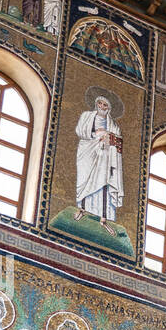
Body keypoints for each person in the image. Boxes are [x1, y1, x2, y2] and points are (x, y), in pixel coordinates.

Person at [74, 94, 124, 235]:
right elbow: (80, 131)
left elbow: (117, 141)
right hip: (88, 152)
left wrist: (107, 136)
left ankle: (103, 219)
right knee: (85, 179)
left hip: (105, 156)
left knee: (104, 183)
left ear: (109, 108)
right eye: (100, 103)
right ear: (96, 104)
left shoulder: (113, 124)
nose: (102, 107)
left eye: (105, 105)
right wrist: (95, 134)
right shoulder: (87, 116)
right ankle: (82, 209)